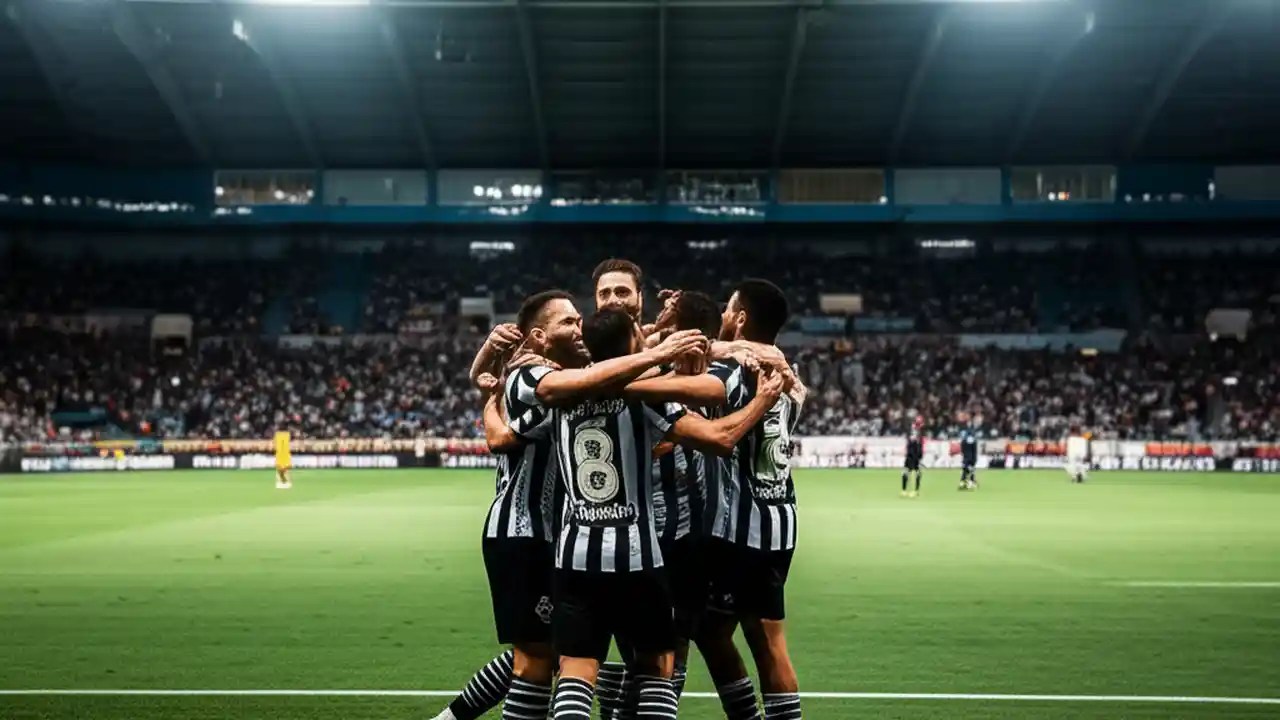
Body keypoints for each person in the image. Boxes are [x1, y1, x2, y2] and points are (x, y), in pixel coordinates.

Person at [434, 292, 704, 720]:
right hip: (525, 532)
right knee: (538, 661)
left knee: (558, 654)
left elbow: (622, 359)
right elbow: (502, 438)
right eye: (569, 323)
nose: (579, 329)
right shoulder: (535, 376)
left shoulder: (579, 374)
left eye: (583, 322)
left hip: (561, 537)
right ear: (539, 337)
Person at [540, 307, 785, 720]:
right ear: (635, 344)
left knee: (578, 670)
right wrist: (762, 400)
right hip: (637, 557)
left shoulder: (563, 390)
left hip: (575, 555)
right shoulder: (646, 398)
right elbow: (719, 438)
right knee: (657, 668)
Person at [624, 279, 804, 720]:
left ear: (741, 317)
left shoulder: (739, 370)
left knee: (759, 641)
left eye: (728, 308)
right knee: (712, 629)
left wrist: (618, 384)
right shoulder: (790, 374)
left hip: (741, 533)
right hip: (780, 520)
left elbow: (700, 392)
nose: (722, 314)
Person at [903, 416, 924, 498]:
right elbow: (914, 443)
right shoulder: (915, 431)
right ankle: (913, 490)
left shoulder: (916, 431)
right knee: (911, 472)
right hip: (913, 454)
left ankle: (913, 491)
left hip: (913, 454)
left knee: (913, 472)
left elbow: (917, 444)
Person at [959, 423, 978, 491]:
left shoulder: (964, 441)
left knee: (965, 470)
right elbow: (975, 451)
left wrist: (964, 457)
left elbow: (962, 450)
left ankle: (962, 483)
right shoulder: (974, 441)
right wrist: (975, 459)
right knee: (972, 471)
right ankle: (970, 484)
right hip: (972, 458)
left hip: (965, 458)